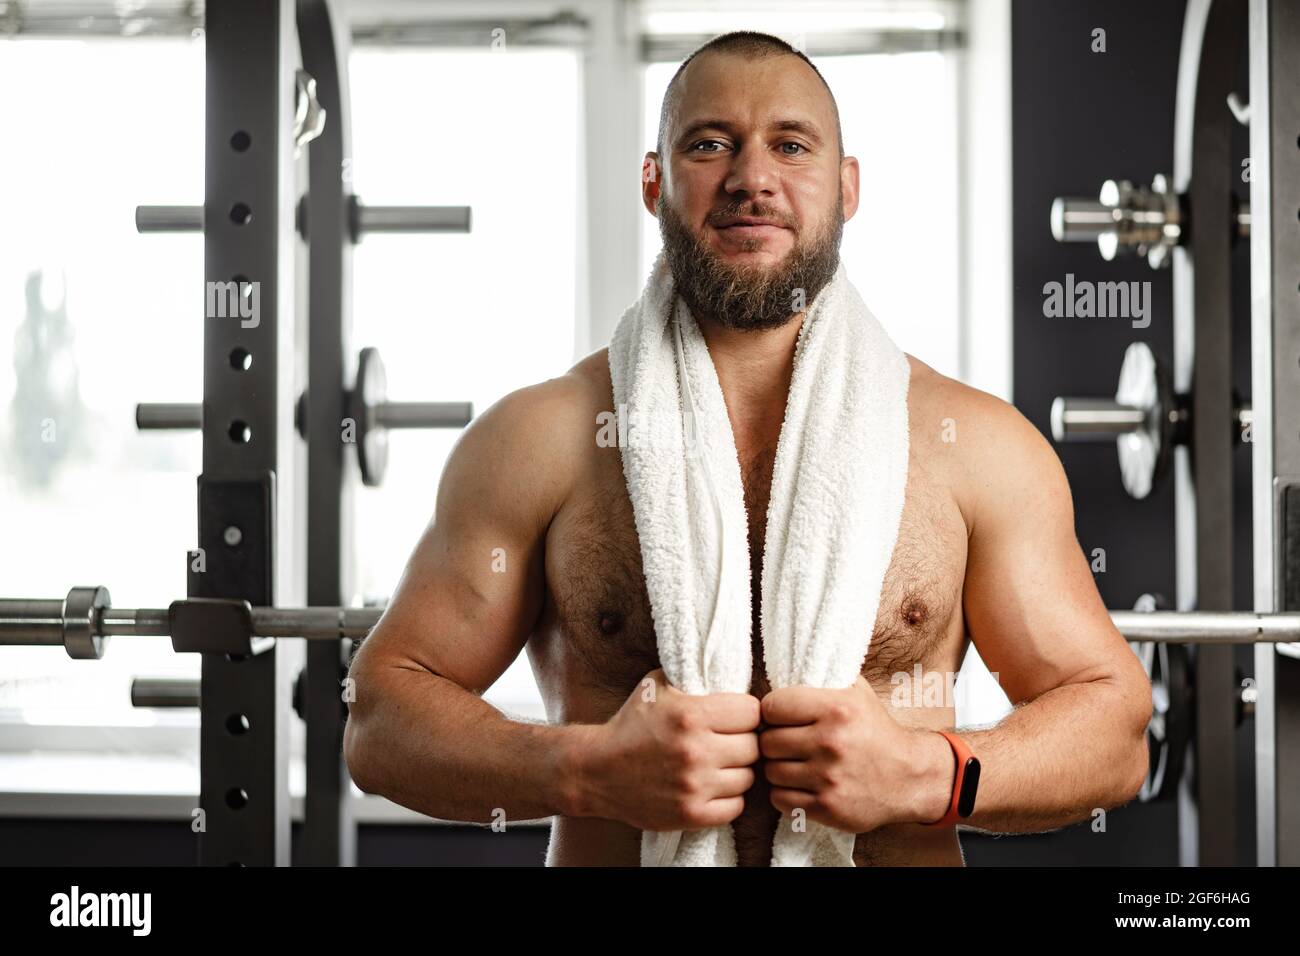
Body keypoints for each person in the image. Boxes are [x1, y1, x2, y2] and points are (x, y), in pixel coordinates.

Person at [343, 30, 1151, 866]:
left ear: (847, 189)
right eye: (708, 144)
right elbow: (380, 719)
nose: (751, 178)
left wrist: (925, 775)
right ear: (654, 182)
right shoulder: (538, 440)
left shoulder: (976, 447)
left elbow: (1116, 731)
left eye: (790, 146)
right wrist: (585, 770)